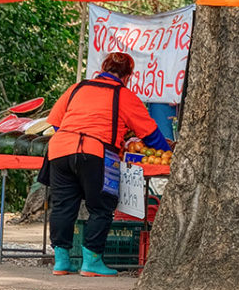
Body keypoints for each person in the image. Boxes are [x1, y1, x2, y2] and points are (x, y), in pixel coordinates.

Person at [46, 51, 173, 277]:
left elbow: (56, 123)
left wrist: (73, 139)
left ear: (103, 69)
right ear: (127, 77)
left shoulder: (77, 88)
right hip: (96, 152)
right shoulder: (123, 95)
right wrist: (168, 150)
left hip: (60, 149)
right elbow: (151, 134)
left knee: (63, 205)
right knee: (101, 206)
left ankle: (61, 262)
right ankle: (91, 262)